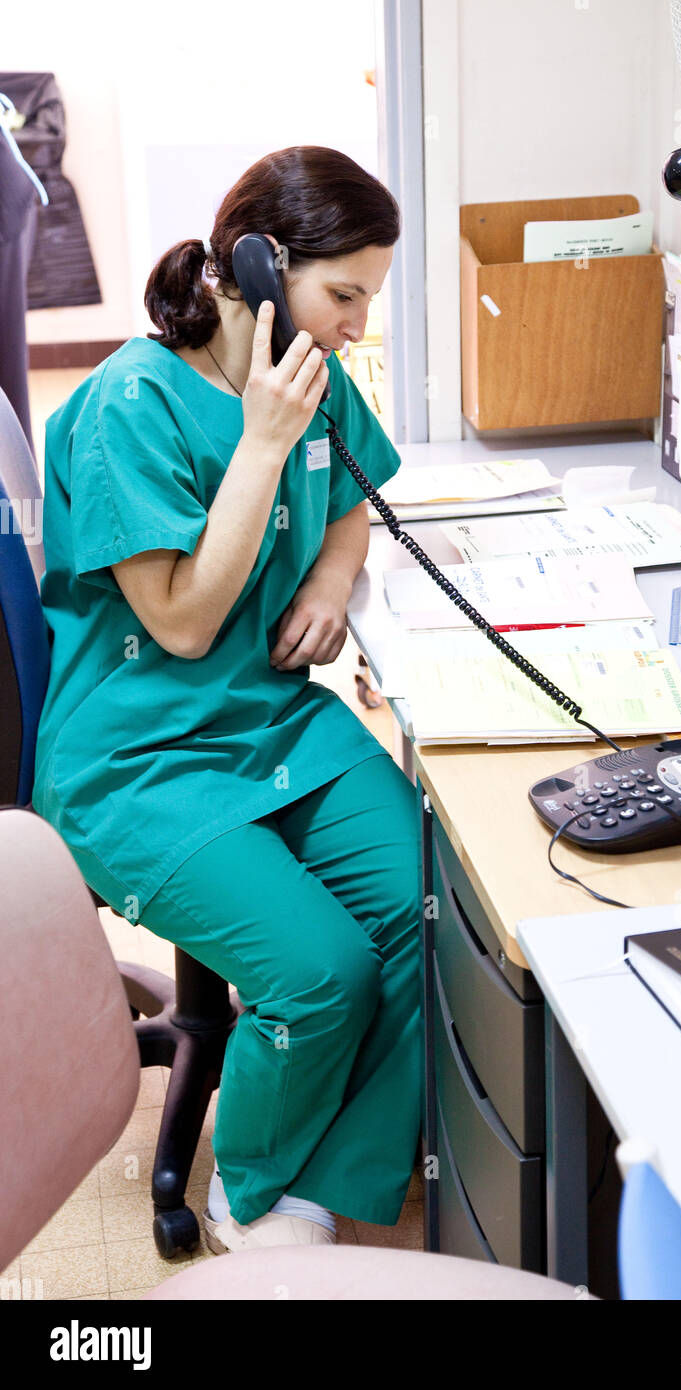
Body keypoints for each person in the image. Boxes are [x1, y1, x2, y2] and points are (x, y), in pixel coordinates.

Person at [32, 146, 423, 1254]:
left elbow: (349, 501)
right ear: (252, 267)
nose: (352, 327)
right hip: (141, 759)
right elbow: (187, 621)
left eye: (366, 300)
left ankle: (325, 1181)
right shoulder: (129, 406)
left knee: (421, 907)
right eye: (340, 294)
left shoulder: (313, 375)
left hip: (269, 720)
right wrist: (259, 441)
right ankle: (253, 1196)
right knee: (320, 972)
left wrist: (334, 577)